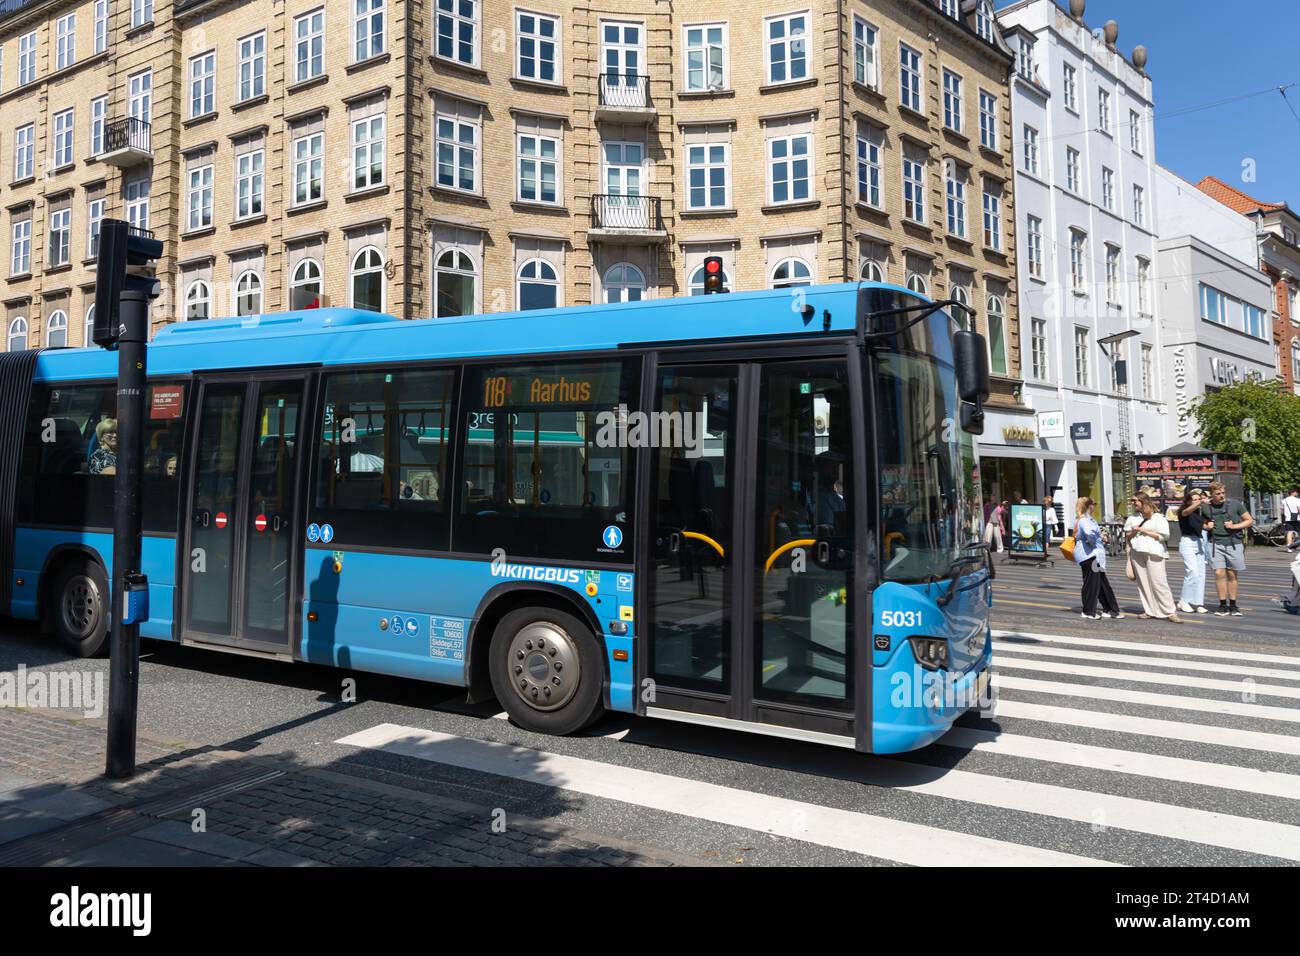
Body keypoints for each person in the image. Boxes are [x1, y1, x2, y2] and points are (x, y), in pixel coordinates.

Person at [1125, 492, 1181, 622]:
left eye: (1135, 501)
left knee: (1159, 582)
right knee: (1143, 582)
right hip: (1137, 551)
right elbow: (1127, 536)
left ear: (1143, 501)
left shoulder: (1158, 517)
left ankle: (1169, 611)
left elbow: (1164, 536)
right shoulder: (1133, 518)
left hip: (1155, 551)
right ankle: (1149, 610)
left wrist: (1144, 531)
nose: (1133, 503)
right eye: (1132, 501)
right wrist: (1134, 531)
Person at [1204, 481, 1253, 616]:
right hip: (1215, 543)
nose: (1221, 496)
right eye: (1218, 494)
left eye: (1223, 493)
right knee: (1219, 573)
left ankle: (1233, 604)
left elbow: (1249, 520)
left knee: (1232, 573)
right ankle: (1222, 605)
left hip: (1233, 542)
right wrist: (1206, 526)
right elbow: (1203, 522)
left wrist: (1234, 526)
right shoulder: (1206, 507)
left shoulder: (1235, 504)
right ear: (1211, 494)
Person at [1074, 496, 1122, 619]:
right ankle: (1088, 611)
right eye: (1094, 503)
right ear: (1089, 505)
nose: (1095, 506)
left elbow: (1092, 534)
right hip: (1090, 556)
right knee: (1092, 584)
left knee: (1101, 583)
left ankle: (1110, 609)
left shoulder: (1088, 519)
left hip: (1092, 556)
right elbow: (1090, 534)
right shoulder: (1085, 520)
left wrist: (1100, 537)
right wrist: (1093, 541)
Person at [1176, 488, 1209, 614]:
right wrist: (1200, 502)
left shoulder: (1200, 513)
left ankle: (1197, 602)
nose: (1196, 502)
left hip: (1199, 542)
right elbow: (1185, 512)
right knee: (1192, 572)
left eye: (1198, 499)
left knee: (1201, 574)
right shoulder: (1183, 511)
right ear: (1188, 501)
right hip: (1187, 542)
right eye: (1193, 500)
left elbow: (1205, 526)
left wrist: (1209, 526)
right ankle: (1184, 601)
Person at [1281, 486, 1300, 550]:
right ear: (1293, 492)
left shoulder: (1284, 500)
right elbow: (1299, 509)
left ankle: (1289, 548)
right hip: (1297, 518)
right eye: (1296, 492)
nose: (1297, 494)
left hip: (1288, 519)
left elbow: (1283, 510)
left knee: (1289, 532)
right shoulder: (1297, 500)